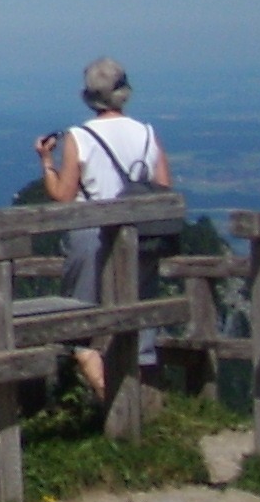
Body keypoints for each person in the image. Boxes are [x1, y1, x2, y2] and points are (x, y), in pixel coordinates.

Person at [35, 56, 173, 400]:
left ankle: (107, 396)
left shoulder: (80, 137)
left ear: (88, 96)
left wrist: (47, 162)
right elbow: (164, 189)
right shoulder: (147, 134)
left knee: (80, 325)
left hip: (91, 235)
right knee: (138, 320)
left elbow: (64, 196)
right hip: (141, 236)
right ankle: (140, 403)